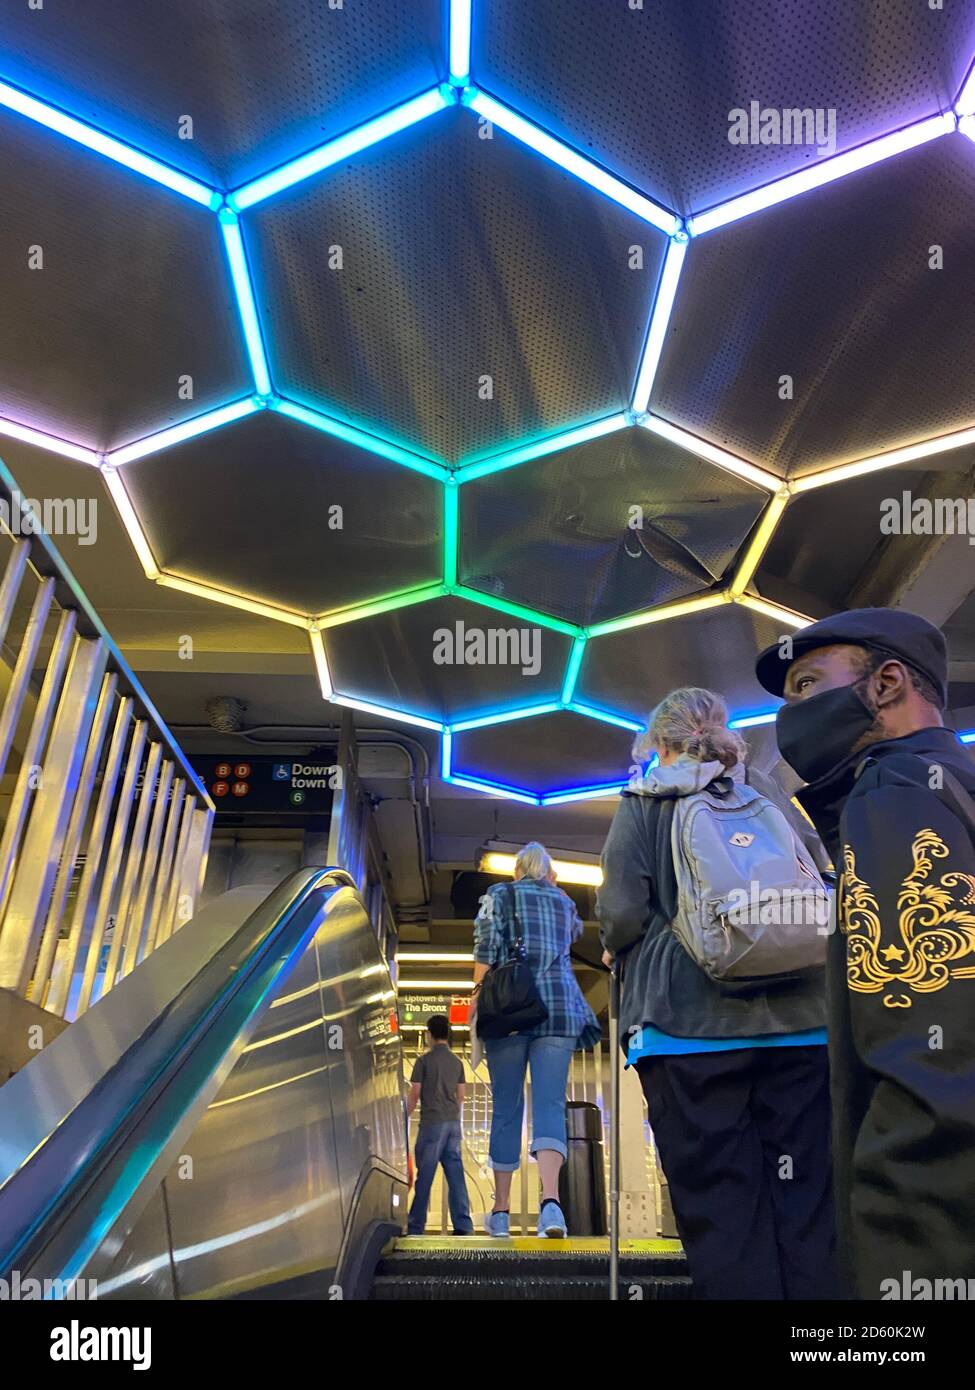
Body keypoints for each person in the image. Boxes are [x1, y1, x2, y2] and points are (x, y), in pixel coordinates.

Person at [755, 607, 975, 1299]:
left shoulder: (890, 794)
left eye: (806, 685)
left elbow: (926, 1062)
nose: (791, 715)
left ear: (883, 684)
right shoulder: (954, 787)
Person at [597, 687, 836, 1300]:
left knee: (722, 1209)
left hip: (687, 1034)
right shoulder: (769, 795)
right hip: (803, 1027)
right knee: (809, 1205)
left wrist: (614, 945)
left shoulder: (644, 801)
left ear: (659, 744)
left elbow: (622, 914)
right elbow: (820, 877)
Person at [473, 842, 601, 1239]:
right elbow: (572, 936)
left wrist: (477, 995)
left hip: (509, 1009)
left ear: (517, 871)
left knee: (507, 1107)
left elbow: (485, 950)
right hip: (559, 1009)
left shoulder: (499, 896)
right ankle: (551, 1207)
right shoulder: (564, 903)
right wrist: (555, 887)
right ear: (549, 871)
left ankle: (500, 1213)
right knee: (549, 1103)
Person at [406, 1014, 474, 1236]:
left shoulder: (424, 1061)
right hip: (453, 1124)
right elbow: (461, 1095)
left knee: (425, 1175)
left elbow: (415, 1092)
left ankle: (416, 1226)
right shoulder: (457, 1062)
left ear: (430, 1034)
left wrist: (404, 1115)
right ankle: (463, 1225)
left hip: (432, 1123)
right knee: (455, 1174)